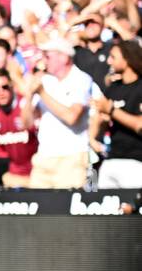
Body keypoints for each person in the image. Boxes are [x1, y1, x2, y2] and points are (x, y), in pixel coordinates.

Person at [24, 38, 99, 190]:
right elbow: (26, 123)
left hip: (72, 157)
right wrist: (29, 95)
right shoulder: (45, 81)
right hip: (44, 156)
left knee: (66, 210)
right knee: (36, 209)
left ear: (64, 57)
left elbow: (71, 117)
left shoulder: (81, 79)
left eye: (48, 56)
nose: (44, 61)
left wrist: (41, 93)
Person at [92, 38, 142, 190]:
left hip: (136, 161)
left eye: (113, 57)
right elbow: (101, 122)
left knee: (133, 212)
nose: (108, 61)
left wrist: (112, 110)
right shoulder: (112, 89)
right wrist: (101, 124)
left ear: (127, 59)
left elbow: (140, 125)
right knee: (105, 211)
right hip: (111, 159)